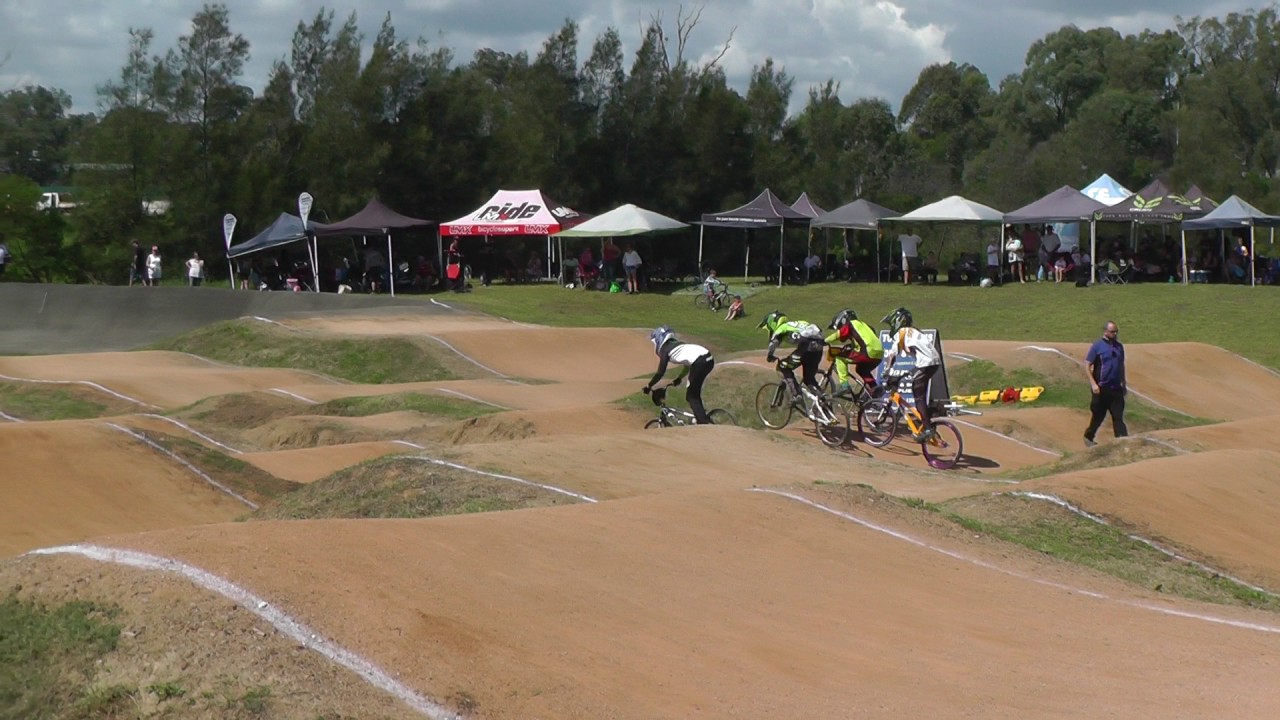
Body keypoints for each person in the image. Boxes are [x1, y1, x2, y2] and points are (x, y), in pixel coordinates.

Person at [759, 310, 833, 423]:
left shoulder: (781, 328)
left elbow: (773, 343)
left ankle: (796, 395)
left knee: (783, 366)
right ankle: (824, 401)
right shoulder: (798, 323)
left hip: (806, 348)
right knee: (809, 379)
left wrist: (770, 356)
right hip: (818, 347)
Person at [880, 307, 942, 442]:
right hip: (933, 363)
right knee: (917, 385)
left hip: (925, 363)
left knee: (917, 394)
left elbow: (891, 356)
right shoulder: (914, 330)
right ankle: (930, 413)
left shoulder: (901, 332)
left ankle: (927, 429)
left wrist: (886, 373)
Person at [643, 326, 717, 424]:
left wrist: (649, 386)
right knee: (694, 391)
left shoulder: (665, 350)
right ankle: (701, 415)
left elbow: (660, 372)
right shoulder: (677, 345)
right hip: (708, 359)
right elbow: (688, 364)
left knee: (691, 396)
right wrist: (679, 378)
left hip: (699, 362)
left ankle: (703, 422)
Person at [1083, 320, 1128, 447]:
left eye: (1116, 331)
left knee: (1118, 416)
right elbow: (1087, 365)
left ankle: (1122, 441)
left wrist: (1123, 384)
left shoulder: (1119, 347)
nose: (1115, 334)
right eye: (1112, 332)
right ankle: (1088, 437)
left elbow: (1121, 366)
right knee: (1098, 416)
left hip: (1115, 388)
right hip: (1101, 388)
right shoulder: (1097, 346)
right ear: (1105, 331)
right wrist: (1093, 384)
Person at [825, 308, 885, 397]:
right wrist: (852, 345)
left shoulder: (850, 324)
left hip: (867, 352)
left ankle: (844, 386)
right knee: (861, 369)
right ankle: (873, 387)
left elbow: (838, 334)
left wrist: (824, 340)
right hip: (879, 354)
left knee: (840, 358)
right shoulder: (864, 325)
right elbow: (864, 338)